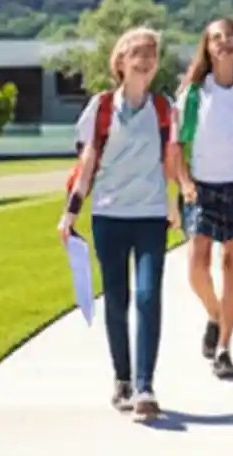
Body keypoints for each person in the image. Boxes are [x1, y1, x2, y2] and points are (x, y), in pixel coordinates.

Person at [58, 26, 181, 422]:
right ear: (121, 62)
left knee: (148, 296)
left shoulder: (164, 108)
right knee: (117, 300)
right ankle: (123, 379)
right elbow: (88, 162)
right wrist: (70, 211)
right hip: (109, 216)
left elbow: (171, 161)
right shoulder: (101, 108)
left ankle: (145, 385)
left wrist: (175, 202)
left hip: (149, 217)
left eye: (151, 54)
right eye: (137, 53)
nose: (145, 60)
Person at [174, 18, 233, 379]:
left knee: (232, 266)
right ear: (207, 49)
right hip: (203, 187)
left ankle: (225, 347)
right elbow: (177, 144)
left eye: (229, 37)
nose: (223, 43)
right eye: (215, 38)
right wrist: (184, 182)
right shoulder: (195, 93)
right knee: (197, 267)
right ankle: (215, 313)